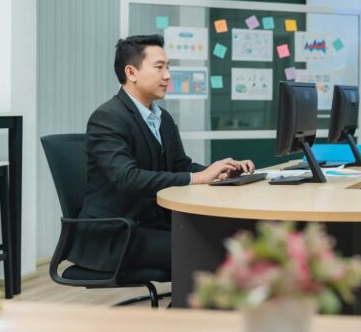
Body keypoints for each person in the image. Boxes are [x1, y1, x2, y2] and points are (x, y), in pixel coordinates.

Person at [68, 34, 256, 274]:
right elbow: (128, 178)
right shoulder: (107, 118)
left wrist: (218, 170)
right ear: (131, 72)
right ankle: (186, 310)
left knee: (229, 240)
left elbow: (180, 166)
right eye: (159, 67)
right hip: (115, 235)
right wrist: (198, 178)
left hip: (151, 225)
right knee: (209, 250)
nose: (167, 75)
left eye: (168, 67)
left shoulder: (162, 118)